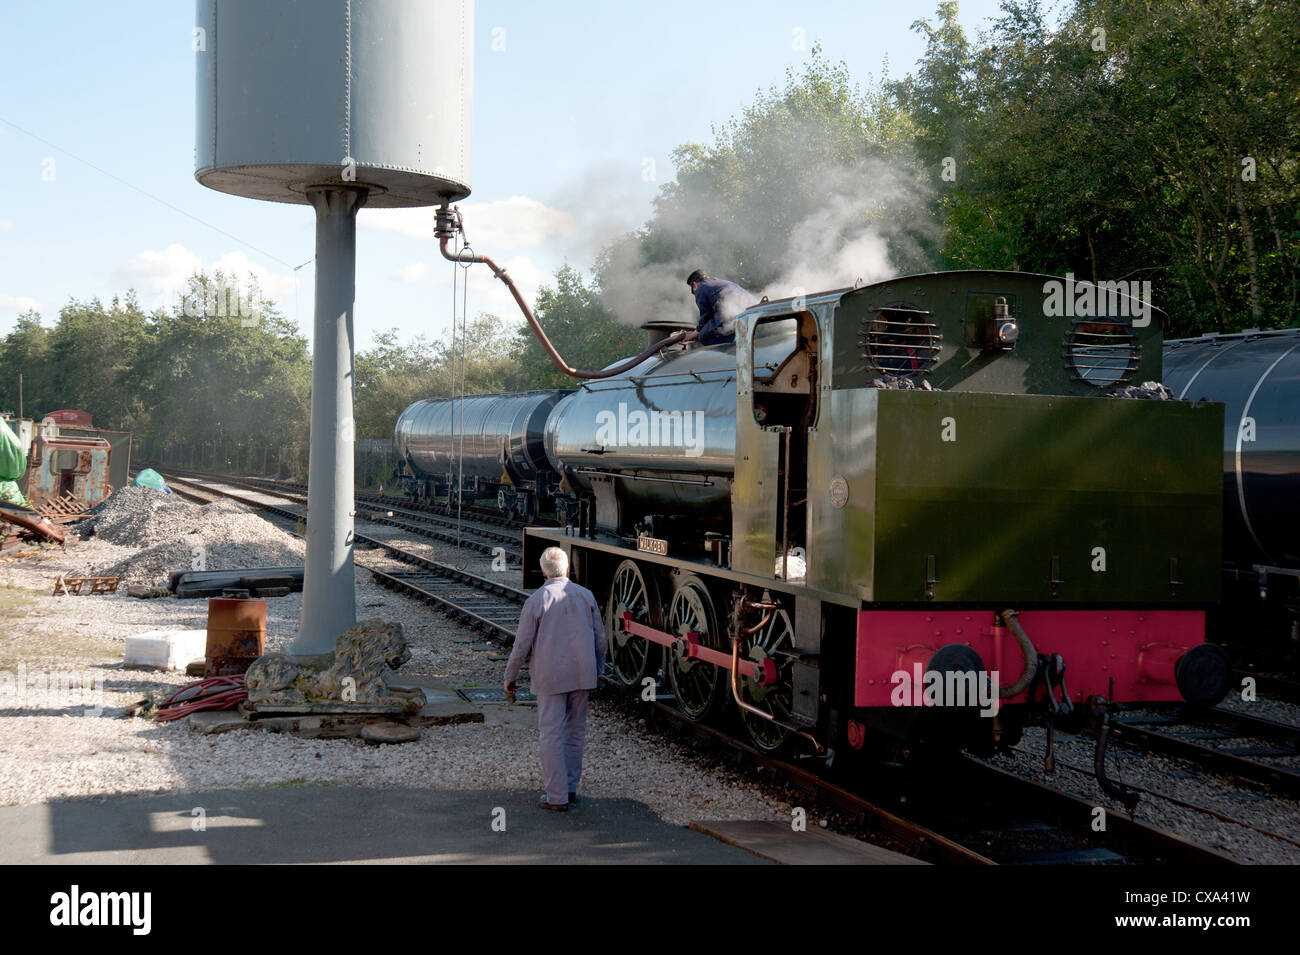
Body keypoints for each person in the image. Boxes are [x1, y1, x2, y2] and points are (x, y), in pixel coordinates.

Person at [504, 546, 606, 812]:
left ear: (542, 572)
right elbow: (600, 638)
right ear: (568, 570)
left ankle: (556, 796)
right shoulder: (586, 596)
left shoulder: (536, 600)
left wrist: (510, 676)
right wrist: (598, 668)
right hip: (582, 674)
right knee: (575, 732)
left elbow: (521, 645)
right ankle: (571, 789)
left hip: (550, 676)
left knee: (551, 734)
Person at [685, 269, 759, 346]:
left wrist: (694, 334)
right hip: (752, 309)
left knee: (703, 337)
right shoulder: (719, 281)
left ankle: (735, 345)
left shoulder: (701, 288)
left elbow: (706, 316)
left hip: (734, 313)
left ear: (694, 284)